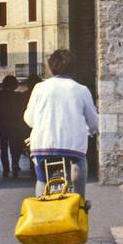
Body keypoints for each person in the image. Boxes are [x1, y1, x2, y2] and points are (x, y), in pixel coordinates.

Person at [23, 49, 98, 201]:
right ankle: (80, 202)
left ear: (51, 67)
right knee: (80, 164)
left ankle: (41, 206)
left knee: (42, 180)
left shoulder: (39, 88)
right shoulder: (82, 90)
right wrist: (91, 130)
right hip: (72, 148)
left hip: (42, 146)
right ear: (73, 67)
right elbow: (94, 122)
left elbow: (29, 119)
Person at [0, 75, 27, 179]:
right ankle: (15, 165)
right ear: (15, 84)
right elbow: (23, 110)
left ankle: (6, 170)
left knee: (3, 148)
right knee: (15, 147)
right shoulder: (18, 96)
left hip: (2, 125)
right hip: (15, 125)